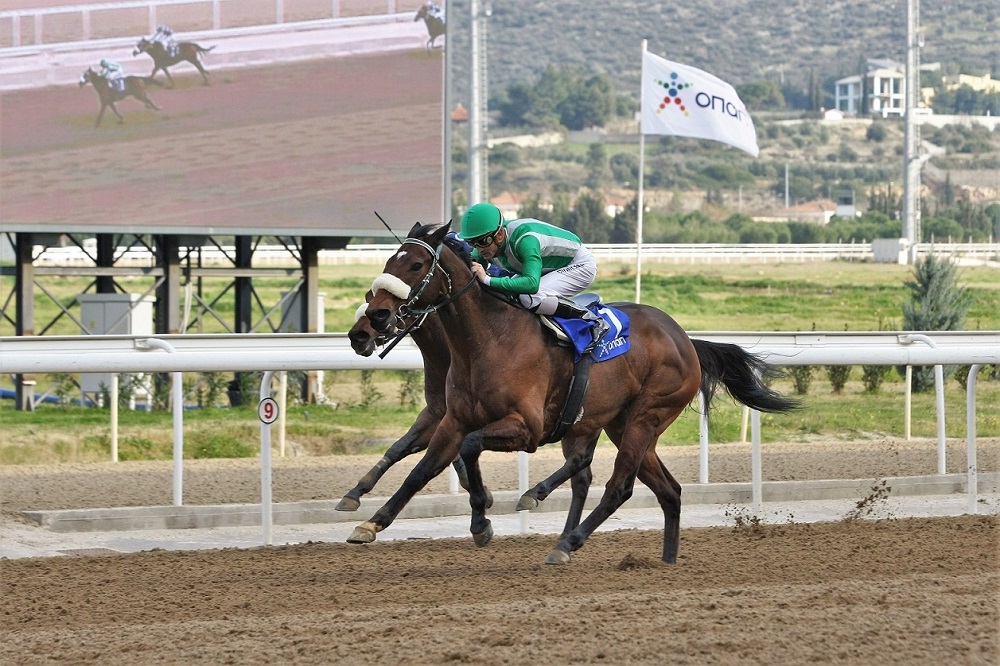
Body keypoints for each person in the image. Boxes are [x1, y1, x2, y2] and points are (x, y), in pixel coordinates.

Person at [458, 202, 609, 352]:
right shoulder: (485, 247)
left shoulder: (525, 240)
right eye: (472, 243)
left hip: (580, 265)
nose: (479, 249)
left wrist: (487, 279)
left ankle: (592, 320)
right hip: (549, 267)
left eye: (483, 241)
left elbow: (531, 284)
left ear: (500, 235)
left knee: (530, 297)